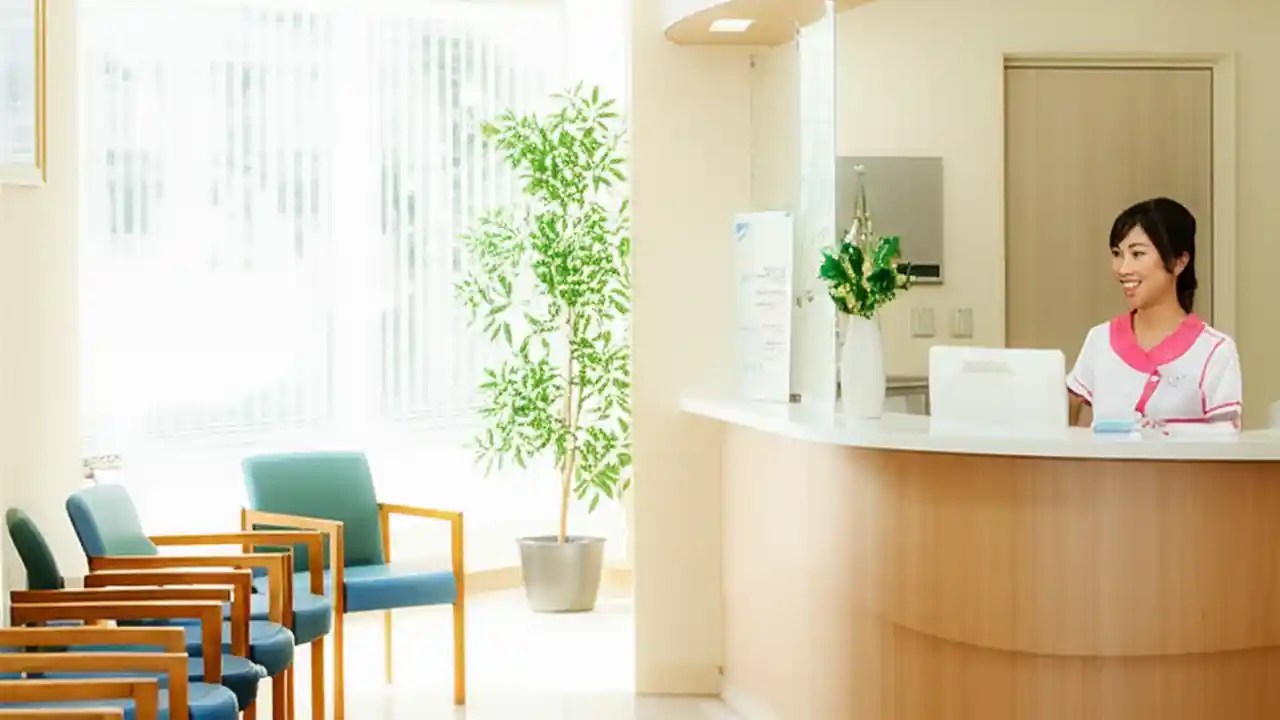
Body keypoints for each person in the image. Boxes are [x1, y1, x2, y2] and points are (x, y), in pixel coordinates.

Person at [1066, 197, 1241, 430]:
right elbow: (1066, 424)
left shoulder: (1215, 351)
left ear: (1179, 262)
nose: (1123, 269)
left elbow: (1227, 443)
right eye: (1117, 254)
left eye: (1137, 254)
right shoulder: (1099, 340)